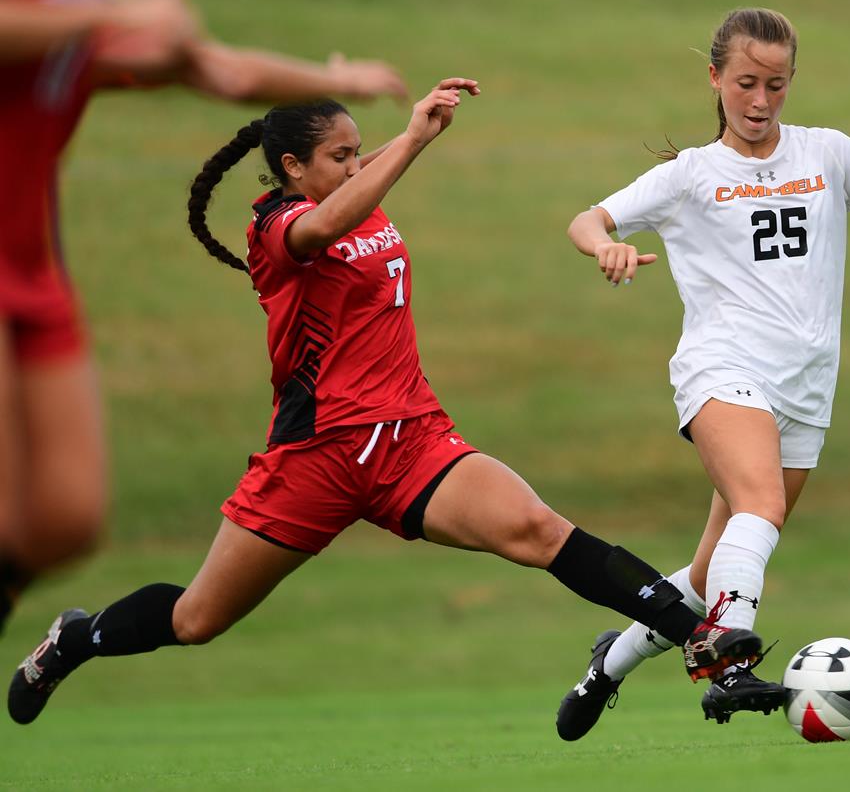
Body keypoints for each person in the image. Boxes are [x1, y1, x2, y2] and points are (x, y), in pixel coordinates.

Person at [8, 81, 762, 726]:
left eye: (357, 152)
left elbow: (354, 192)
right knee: (197, 618)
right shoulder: (276, 228)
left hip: (412, 443)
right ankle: (75, 639)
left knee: (538, 529)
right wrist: (414, 141)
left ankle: (702, 640)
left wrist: (406, 138)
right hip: (316, 459)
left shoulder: (357, 196)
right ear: (292, 167)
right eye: (340, 156)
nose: (355, 164)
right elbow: (325, 223)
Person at [558, 7, 850, 738]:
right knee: (759, 505)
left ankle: (609, 663)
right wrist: (602, 246)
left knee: (711, 570)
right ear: (715, 78)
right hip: (722, 368)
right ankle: (728, 666)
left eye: (776, 84)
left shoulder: (827, 152)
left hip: (806, 387)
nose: (760, 100)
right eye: (746, 83)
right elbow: (588, 220)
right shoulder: (689, 175)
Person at [0, 0, 410, 634]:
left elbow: (214, 70)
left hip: (30, 261)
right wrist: (110, 13)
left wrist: (338, 82)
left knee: (65, 519)